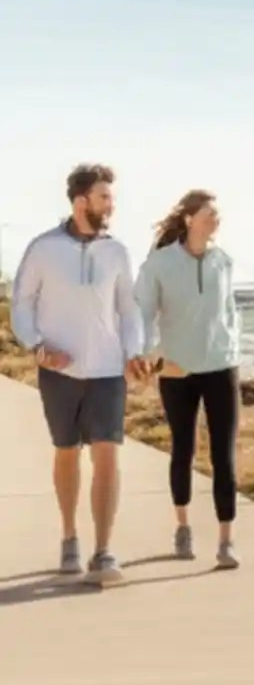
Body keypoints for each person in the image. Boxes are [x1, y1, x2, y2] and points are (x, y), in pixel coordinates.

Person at [8, 163, 149, 584]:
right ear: (81, 200)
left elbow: (129, 309)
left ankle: (104, 552)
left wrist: (134, 351)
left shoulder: (117, 252)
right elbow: (21, 302)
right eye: (104, 197)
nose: (111, 205)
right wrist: (37, 346)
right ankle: (70, 536)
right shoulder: (43, 248)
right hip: (59, 370)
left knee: (107, 453)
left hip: (108, 370)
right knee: (67, 451)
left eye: (112, 197)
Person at [134, 190, 242, 569]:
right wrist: (151, 354)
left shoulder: (223, 262)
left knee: (223, 455)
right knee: (183, 449)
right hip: (178, 370)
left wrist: (230, 349)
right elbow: (142, 313)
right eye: (210, 214)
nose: (217, 220)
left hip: (221, 368)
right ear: (189, 220)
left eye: (218, 214)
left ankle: (226, 540)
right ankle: (183, 528)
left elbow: (230, 313)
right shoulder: (160, 264)